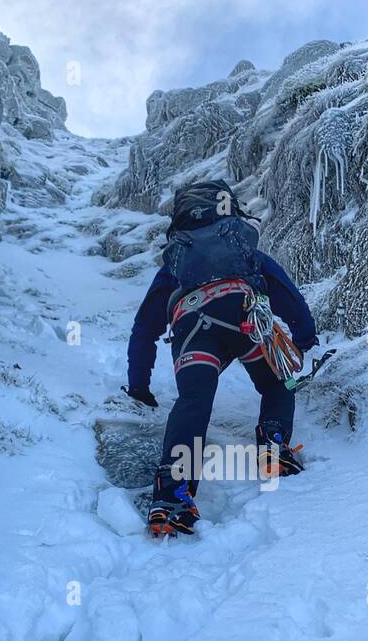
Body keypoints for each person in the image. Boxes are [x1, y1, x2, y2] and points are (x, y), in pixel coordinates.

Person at [125, 180, 318, 536]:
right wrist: (306, 338)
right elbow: (287, 292)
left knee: (194, 401)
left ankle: (173, 498)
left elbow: (144, 328)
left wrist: (139, 385)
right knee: (279, 382)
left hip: (193, 326)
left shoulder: (178, 262)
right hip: (244, 317)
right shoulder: (242, 250)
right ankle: (274, 445)